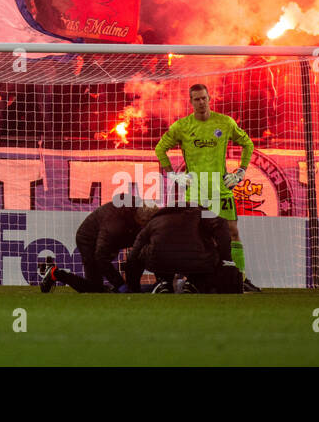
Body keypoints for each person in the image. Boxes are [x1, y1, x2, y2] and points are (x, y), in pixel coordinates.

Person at [155, 82, 260, 291]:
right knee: (193, 235)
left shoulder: (225, 123)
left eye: (204, 98)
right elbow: (160, 149)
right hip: (195, 192)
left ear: (210, 98)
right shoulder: (182, 127)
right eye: (197, 99)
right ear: (191, 102)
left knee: (232, 231)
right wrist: (173, 175)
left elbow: (248, 144)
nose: (201, 102)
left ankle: (240, 278)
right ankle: (189, 281)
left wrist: (240, 172)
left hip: (221, 189)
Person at [38, 200, 156, 293]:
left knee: (139, 255)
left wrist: (132, 286)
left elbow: (139, 254)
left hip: (109, 235)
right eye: (146, 225)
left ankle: (129, 287)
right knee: (94, 288)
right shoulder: (114, 226)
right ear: (140, 220)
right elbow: (100, 257)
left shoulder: (138, 212)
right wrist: (120, 285)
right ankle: (55, 273)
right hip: (88, 239)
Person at [123, 205, 234, 294]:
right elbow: (222, 223)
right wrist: (225, 258)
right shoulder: (200, 212)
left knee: (147, 250)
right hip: (197, 261)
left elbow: (133, 256)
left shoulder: (154, 221)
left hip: (161, 262)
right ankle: (194, 283)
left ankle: (164, 282)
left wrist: (132, 288)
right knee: (210, 252)